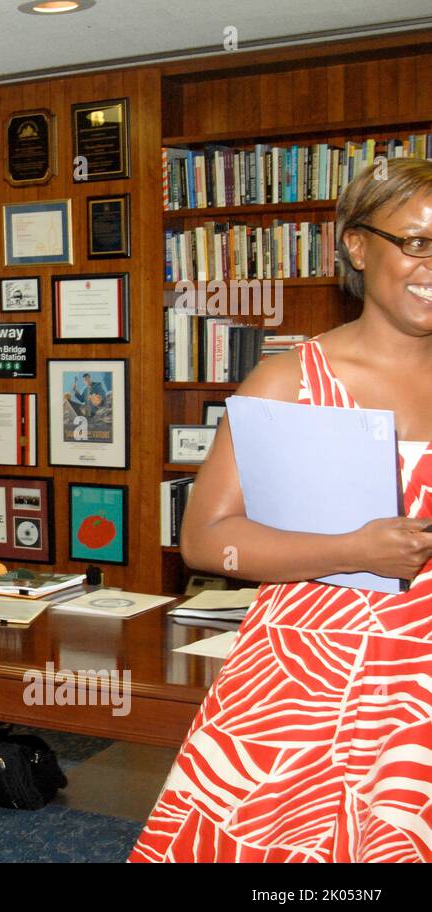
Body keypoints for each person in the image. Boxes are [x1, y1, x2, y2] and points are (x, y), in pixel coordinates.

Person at [131, 157, 432, 862]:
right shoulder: (291, 379)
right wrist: (353, 550)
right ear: (358, 246)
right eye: (416, 241)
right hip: (308, 685)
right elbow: (204, 540)